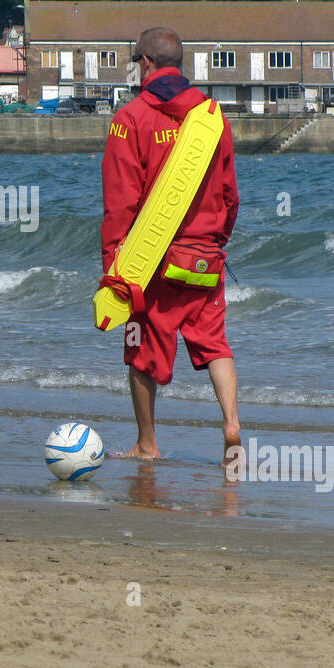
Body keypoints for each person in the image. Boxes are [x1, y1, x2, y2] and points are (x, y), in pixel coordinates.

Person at [101, 27, 240, 465]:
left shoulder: (130, 120)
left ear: (144, 62)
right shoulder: (213, 118)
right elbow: (231, 194)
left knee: (141, 351)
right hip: (204, 259)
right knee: (214, 345)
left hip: (153, 263)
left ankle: (147, 443)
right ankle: (232, 422)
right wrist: (218, 240)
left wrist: (114, 270)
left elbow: (119, 204)